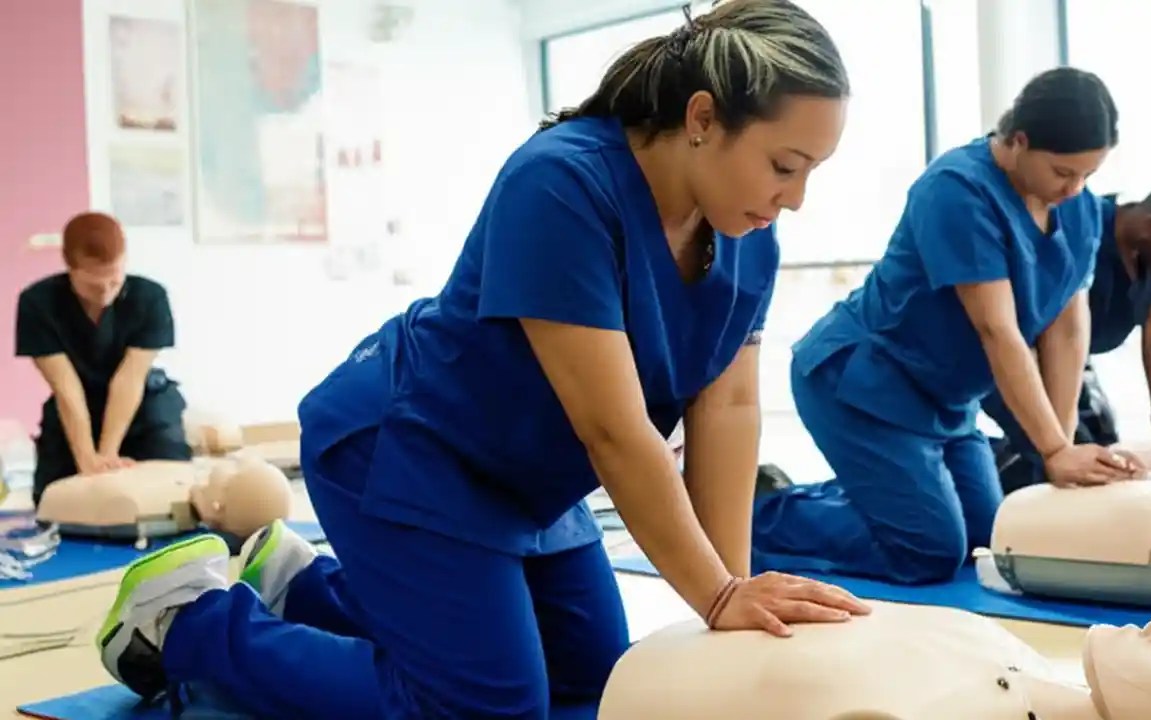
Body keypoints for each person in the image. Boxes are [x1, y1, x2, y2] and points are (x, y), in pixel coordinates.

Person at [95, 3, 869, 719]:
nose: (794, 198)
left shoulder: (747, 237)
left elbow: (725, 410)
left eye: (811, 172)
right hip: (409, 447)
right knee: (487, 709)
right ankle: (189, 620)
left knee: (595, 686)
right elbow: (614, 431)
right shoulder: (563, 181)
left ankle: (303, 589)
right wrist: (718, 593)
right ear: (704, 119)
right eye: (784, 165)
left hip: (529, 482)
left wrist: (733, 607)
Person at [752, 67, 1146, 586]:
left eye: (1086, 177)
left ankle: (873, 490)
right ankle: (757, 511)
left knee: (988, 538)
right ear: (1018, 141)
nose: (1074, 190)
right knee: (930, 552)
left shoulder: (1079, 210)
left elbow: (1069, 329)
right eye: (1062, 172)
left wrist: (1065, 438)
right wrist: (1052, 451)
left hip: (946, 398)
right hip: (862, 382)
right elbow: (998, 331)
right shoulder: (957, 189)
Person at [984, 181, 1151, 493]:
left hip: (1072, 364)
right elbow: (1042, 325)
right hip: (1013, 356)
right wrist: (1056, 446)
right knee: (1062, 456)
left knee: (1105, 455)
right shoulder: (1084, 229)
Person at [15, 212, 190, 506]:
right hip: (75, 407)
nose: (106, 293)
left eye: (114, 281)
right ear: (71, 269)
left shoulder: (150, 297)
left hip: (142, 404)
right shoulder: (38, 303)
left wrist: (107, 456)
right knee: (53, 499)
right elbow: (66, 388)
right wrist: (87, 460)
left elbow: (129, 379)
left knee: (172, 491)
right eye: (95, 285)